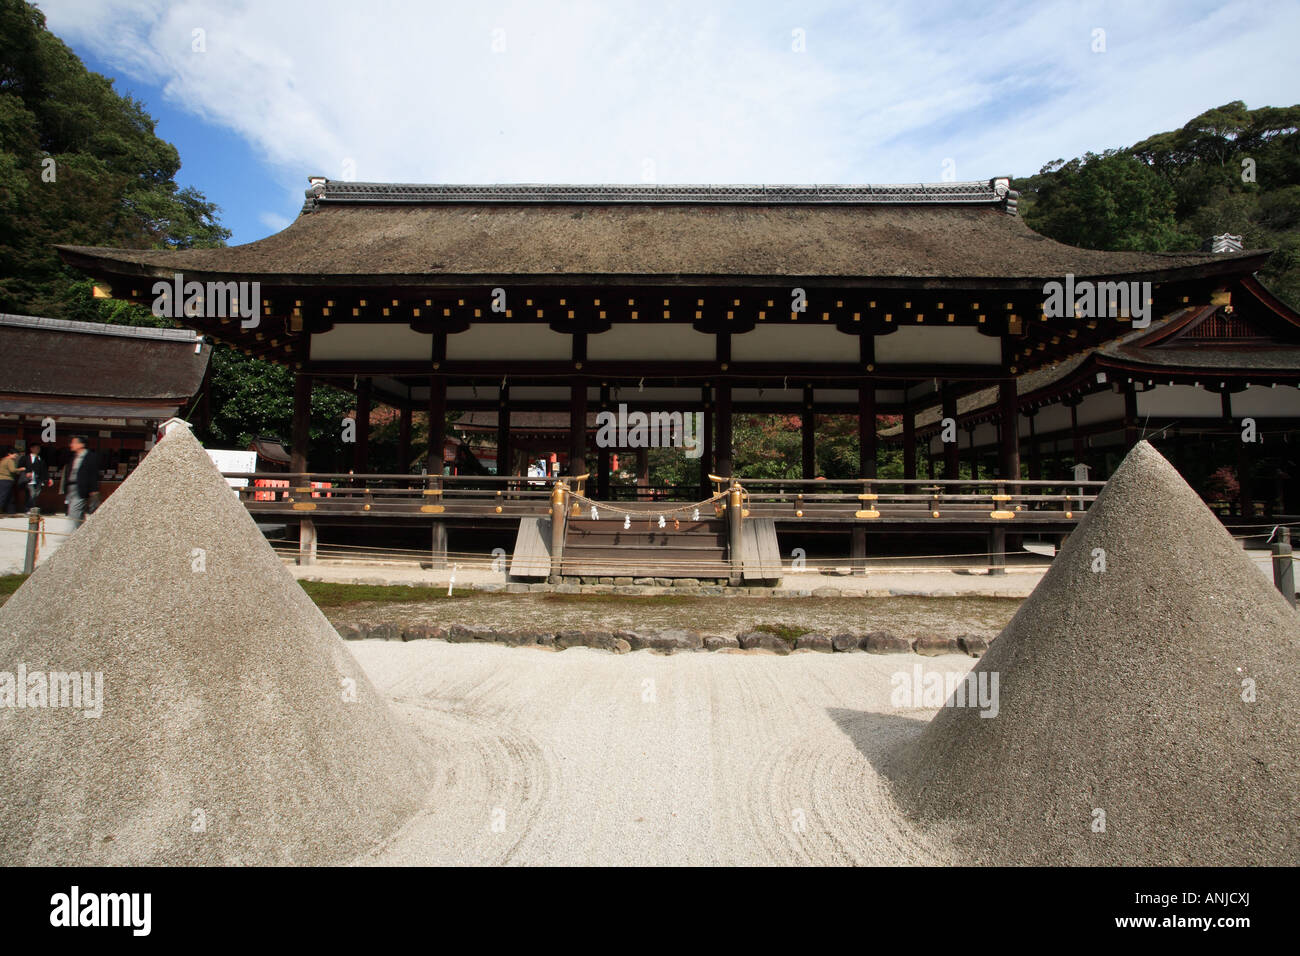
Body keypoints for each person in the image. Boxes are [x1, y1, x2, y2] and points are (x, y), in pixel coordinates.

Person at [65, 436, 98, 528]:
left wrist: (94, 489)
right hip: (71, 487)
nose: (71, 445)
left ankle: (73, 533)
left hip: (81, 488)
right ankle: (82, 533)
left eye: (74, 442)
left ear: (82, 444)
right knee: (77, 512)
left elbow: (93, 474)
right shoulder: (74, 457)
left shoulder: (90, 457)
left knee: (74, 511)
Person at [18, 443, 50, 511]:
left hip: (38, 479)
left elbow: (44, 470)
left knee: (36, 494)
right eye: (36, 448)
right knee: (32, 493)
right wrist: (26, 472)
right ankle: (28, 508)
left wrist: (48, 479)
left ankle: (31, 508)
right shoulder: (25, 458)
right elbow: (19, 467)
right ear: (31, 449)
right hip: (29, 480)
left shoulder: (40, 459)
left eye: (39, 448)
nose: (37, 450)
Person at [0, 449, 25, 514]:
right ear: (9, 454)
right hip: (7, 479)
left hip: (2, 479)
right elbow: (12, 470)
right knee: (4, 496)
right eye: (15, 455)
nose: (16, 456)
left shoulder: (3, 460)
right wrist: (21, 469)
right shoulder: (10, 460)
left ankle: (11, 511)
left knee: (9, 496)